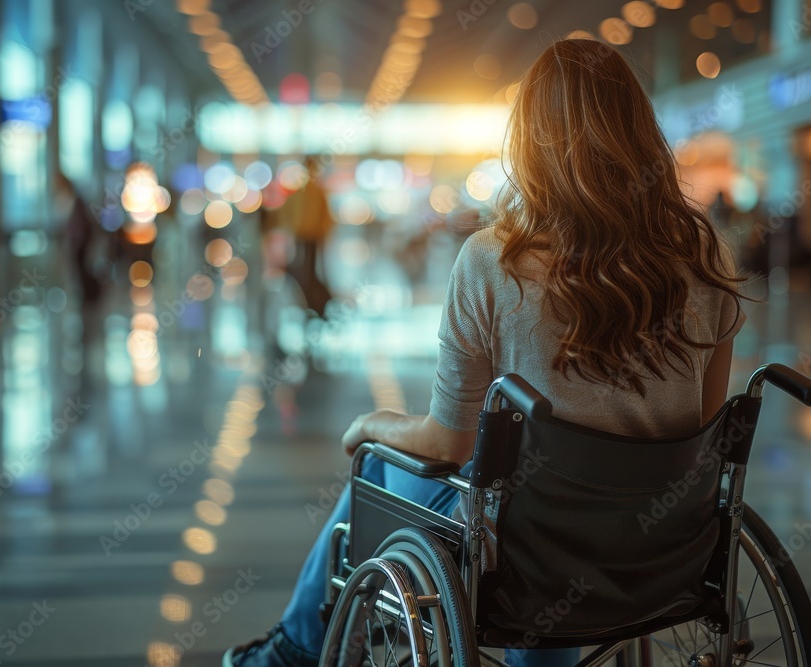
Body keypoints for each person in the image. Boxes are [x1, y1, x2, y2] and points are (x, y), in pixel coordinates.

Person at [223, 38, 745, 667]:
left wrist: (372, 425)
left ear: (529, 141)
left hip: (533, 560)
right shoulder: (705, 255)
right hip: (663, 550)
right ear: (640, 135)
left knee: (381, 466)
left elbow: (450, 445)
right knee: (546, 507)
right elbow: (698, 428)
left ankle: (290, 654)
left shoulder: (495, 262)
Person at [287, 156, 334, 316]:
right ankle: (313, 302)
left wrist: (321, 233)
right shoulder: (304, 191)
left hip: (312, 237)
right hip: (304, 236)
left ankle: (319, 303)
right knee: (306, 270)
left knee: (311, 270)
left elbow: (325, 217)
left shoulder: (313, 191)